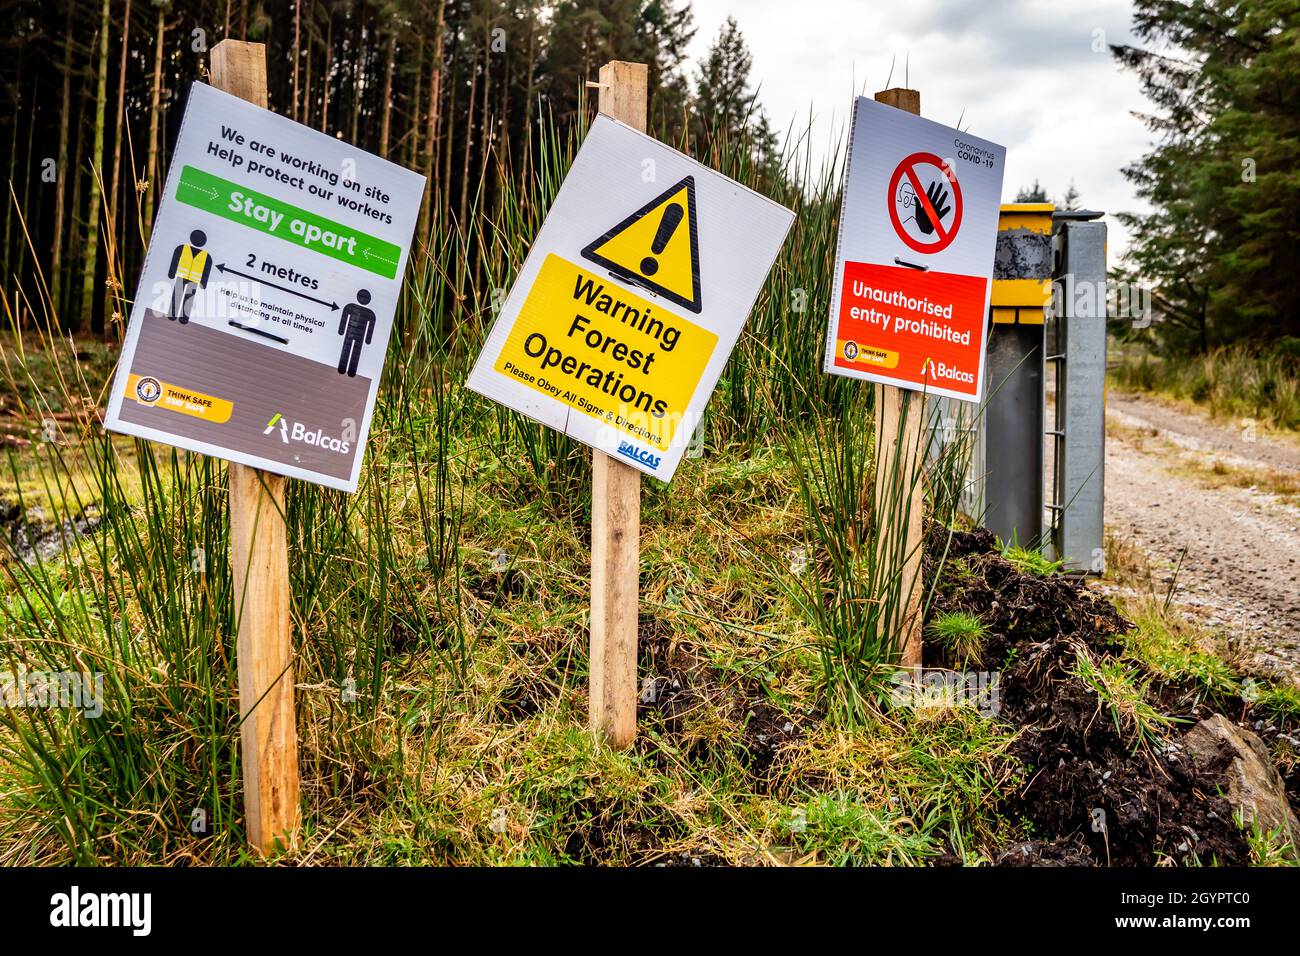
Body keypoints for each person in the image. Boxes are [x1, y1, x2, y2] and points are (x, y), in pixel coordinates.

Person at [166, 229, 212, 323]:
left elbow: (207, 269)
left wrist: (204, 282)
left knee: (189, 298)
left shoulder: (206, 255)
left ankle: (184, 317)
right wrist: (171, 273)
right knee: (177, 296)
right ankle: (172, 314)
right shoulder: (182, 248)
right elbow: (175, 260)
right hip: (181, 276)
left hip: (194, 279)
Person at [338, 289, 376, 377]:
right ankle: (342, 368)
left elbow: (371, 326)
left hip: (358, 335)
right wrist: (341, 330)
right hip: (350, 333)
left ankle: (351, 370)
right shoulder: (350, 307)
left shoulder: (369, 313)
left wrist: (368, 339)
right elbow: (345, 316)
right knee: (347, 350)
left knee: (355, 352)